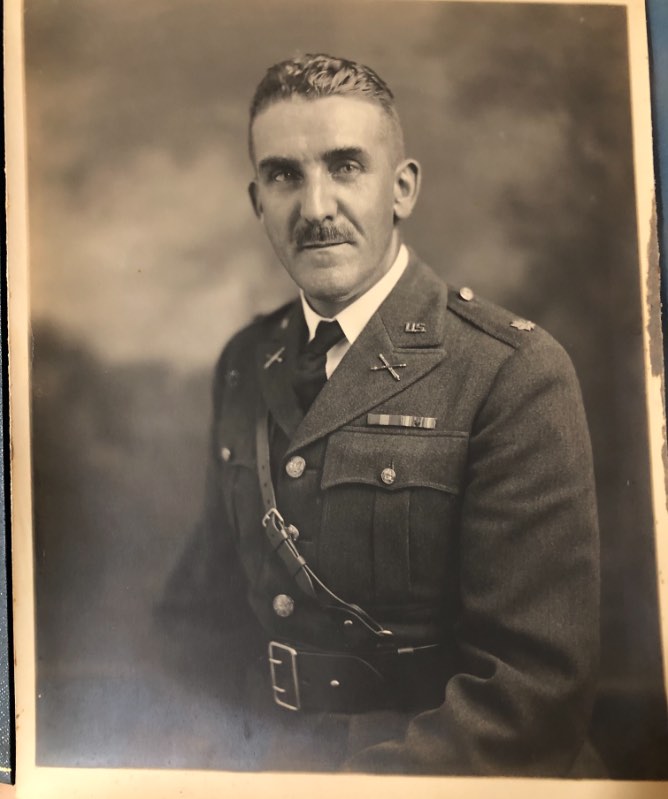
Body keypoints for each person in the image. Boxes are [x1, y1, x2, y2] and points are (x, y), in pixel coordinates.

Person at [160, 53, 600, 776]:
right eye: (284, 175)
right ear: (256, 202)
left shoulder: (510, 372)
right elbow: (203, 618)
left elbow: (534, 695)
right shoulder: (245, 363)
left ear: (402, 189)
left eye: (346, 167)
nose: (316, 207)